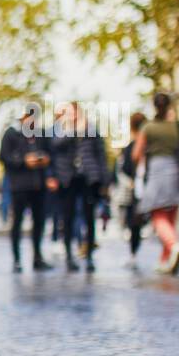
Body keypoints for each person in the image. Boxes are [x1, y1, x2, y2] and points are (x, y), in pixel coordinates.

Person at [133, 92, 179, 275]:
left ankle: (173, 245)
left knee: (157, 215)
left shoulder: (148, 128)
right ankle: (165, 259)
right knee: (170, 216)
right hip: (177, 170)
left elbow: (136, 154)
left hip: (157, 171)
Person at [50, 102, 109, 272]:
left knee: (89, 218)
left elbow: (101, 154)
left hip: (88, 178)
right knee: (67, 217)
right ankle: (69, 255)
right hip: (67, 178)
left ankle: (89, 255)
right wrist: (73, 132)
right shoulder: (59, 129)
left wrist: (104, 180)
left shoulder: (91, 129)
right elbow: (55, 146)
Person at [0, 107, 54, 272]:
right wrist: (23, 161)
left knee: (39, 222)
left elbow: (51, 154)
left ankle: (37, 256)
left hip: (38, 185)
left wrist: (45, 160)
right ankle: (17, 259)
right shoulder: (11, 134)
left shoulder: (40, 134)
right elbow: (4, 157)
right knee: (17, 222)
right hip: (19, 186)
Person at [112, 112, 149, 269]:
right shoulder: (149, 147)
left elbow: (123, 170)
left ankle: (133, 253)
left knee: (134, 223)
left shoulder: (130, 148)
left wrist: (130, 183)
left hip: (136, 190)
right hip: (147, 187)